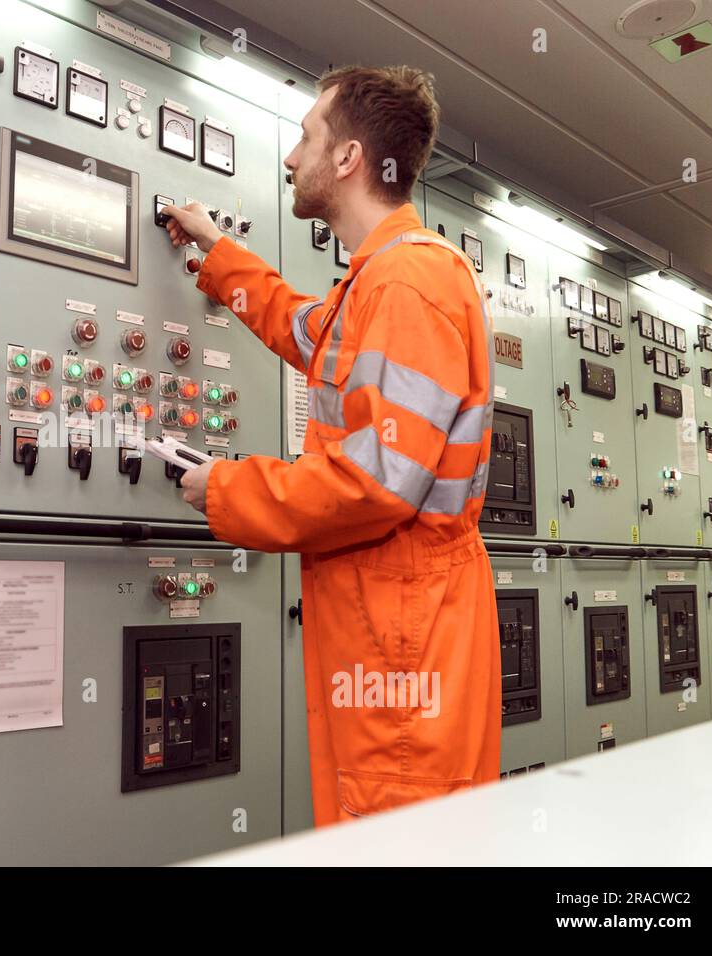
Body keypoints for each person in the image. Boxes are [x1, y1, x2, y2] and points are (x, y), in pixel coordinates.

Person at [160, 65, 500, 825]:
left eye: (306, 137)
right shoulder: (381, 280)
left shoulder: (407, 283)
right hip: (395, 616)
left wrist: (227, 489)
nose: (289, 157)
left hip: (404, 631)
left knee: (392, 825)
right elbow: (304, 328)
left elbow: (378, 483)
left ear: (348, 158)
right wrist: (219, 255)